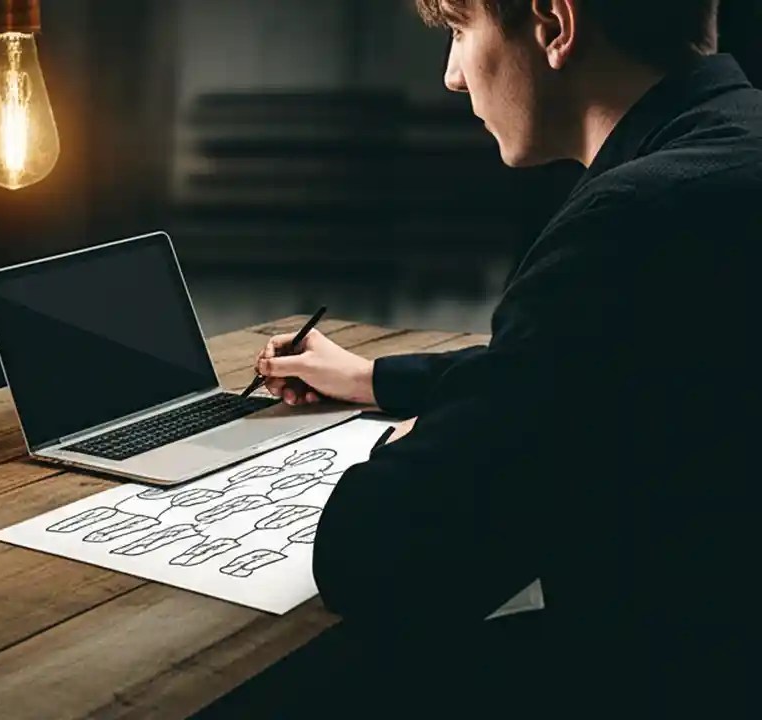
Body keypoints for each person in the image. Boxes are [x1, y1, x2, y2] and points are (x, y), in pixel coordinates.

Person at [248, 0, 761, 712]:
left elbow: (373, 555)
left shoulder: (631, 224)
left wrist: (416, 435)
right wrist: (375, 378)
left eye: (460, 31)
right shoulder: (731, 156)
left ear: (554, 23)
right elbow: (582, 369)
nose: (453, 76)